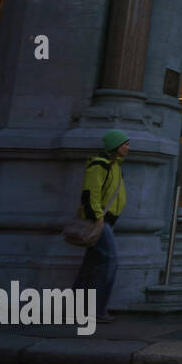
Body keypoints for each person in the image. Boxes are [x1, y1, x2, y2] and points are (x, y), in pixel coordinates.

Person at [72, 129, 130, 323]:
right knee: (111, 261)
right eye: (125, 144)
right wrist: (98, 219)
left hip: (106, 222)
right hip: (99, 222)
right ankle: (97, 310)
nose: (128, 147)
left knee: (90, 265)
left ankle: (72, 308)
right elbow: (90, 194)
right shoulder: (100, 165)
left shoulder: (115, 166)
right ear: (115, 145)